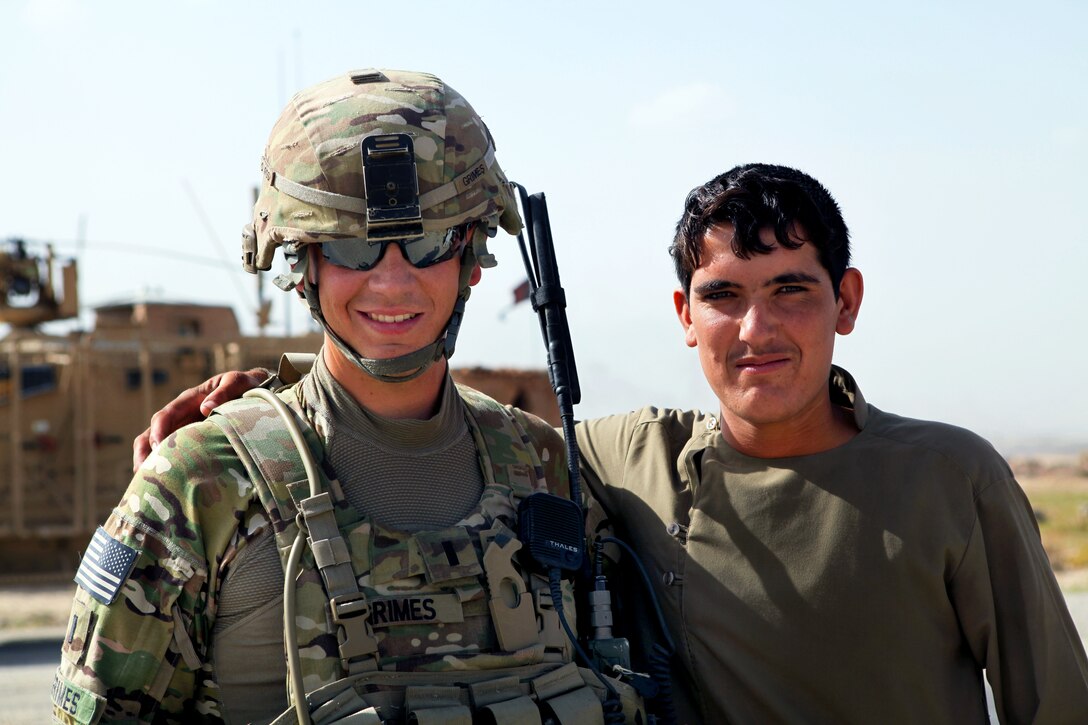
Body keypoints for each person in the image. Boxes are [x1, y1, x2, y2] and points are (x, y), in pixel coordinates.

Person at [138, 162, 1088, 723]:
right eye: (723, 295)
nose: (756, 329)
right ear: (684, 315)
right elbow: (428, 426)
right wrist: (257, 408)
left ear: (846, 300)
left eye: (792, 290)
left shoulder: (948, 476)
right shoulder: (622, 463)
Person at [54, 69, 643, 725]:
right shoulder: (200, 485)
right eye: (350, 245)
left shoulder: (543, 465)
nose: (391, 282)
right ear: (302, 263)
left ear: (471, 255)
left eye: (425, 242)